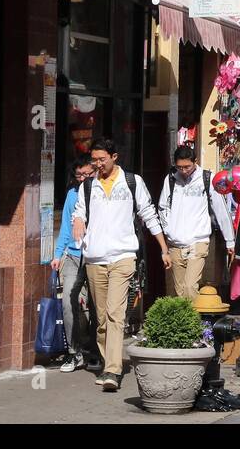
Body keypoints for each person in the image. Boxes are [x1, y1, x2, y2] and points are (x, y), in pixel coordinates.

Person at [71, 138, 170, 392]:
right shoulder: (88, 185)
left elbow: (148, 214)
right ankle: (110, 361)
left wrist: (163, 248)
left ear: (114, 157)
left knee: (116, 314)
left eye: (101, 159)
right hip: (95, 259)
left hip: (123, 257)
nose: (97, 164)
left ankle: (112, 371)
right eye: (94, 159)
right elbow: (79, 211)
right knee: (102, 319)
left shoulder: (132, 182)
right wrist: (77, 221)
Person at [159, 145, 235, 301]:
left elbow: (221, 211)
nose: (184, 171)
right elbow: (162, 206)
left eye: (187, 166)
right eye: (179, 167)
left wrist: (230, 241)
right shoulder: (171, 179)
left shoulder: (207, 178)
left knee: (189, 286)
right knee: (178, 291)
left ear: (195, 161)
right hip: (175, 242)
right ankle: (185, 324)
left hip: (198, 241)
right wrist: (168, 229)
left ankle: (193, 322)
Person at [50, 155, 96, 372]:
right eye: (79, 175)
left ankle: (94, 349)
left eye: (87, 174)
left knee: (97, 306)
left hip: (97, 256)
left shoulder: (102, 194)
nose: (83, 179)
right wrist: (58, 254)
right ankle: (73, 352)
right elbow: (66, 230)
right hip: (73, 255)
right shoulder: (72, 195)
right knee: (69, 303)